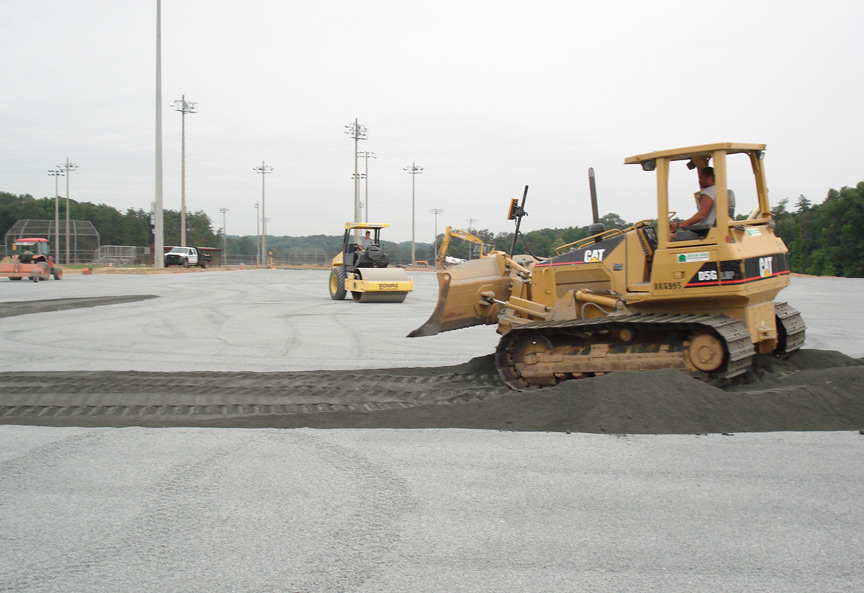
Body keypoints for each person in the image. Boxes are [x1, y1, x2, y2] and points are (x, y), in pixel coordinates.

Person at [670, 166, 716, 233]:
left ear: (710, 177)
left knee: (677, 238)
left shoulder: (709, 192)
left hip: (707, 231)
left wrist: (680, 224)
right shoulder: (720, 190)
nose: (699, 181)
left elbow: (702, 215)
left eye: (701, 177)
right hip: (712, 229)